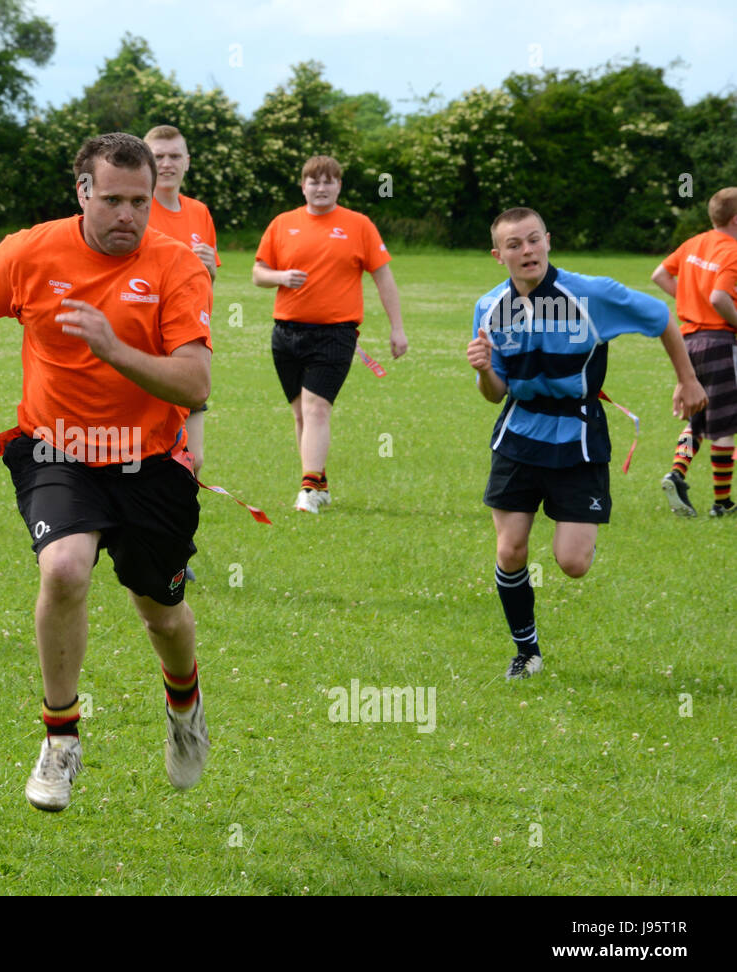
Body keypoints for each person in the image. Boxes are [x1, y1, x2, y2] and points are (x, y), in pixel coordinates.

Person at [0, 133, 213, 812]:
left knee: (162, 614)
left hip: (148, 460)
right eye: (112, 198)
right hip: (56, 448)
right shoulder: (28, 251)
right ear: (82, 192)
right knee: (63, 569)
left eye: (139, 201)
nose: (127, 214)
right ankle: (60, 737)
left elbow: (195, 383)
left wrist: (114, 347)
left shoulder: (177, 265)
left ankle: (185, 708)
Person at [466, 207, 706, 680]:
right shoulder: (490, 307)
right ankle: (526, 651)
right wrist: (483, 370)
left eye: (533, 240)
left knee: (573, 563)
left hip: (578, 434)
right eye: (514, 245)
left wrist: (688, 380)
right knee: (510, 549)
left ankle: (577, 536)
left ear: (548, 241)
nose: (526, 250)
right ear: (499, 255)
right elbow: (496, 393)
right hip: (518, 432)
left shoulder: (589, 294)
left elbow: (660, 317)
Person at [253, 154, 408, 513]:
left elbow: (383, 276)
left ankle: (307, 489)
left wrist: (397, 328)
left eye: (328, 181)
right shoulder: (282, 224)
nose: (321, 188)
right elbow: (258, 272)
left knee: (317, 407)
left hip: (336, 335)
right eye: (314, 181)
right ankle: (319, 482)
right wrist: (280, 277)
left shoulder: (359, 225)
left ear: (339, 185)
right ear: (302, 186)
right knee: (300, 414)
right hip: (286, 333)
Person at [650, 187, 737, 518]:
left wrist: (688, 302)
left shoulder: (695, 243)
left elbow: (659, 275)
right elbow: (719, 299)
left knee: (698, 416)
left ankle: (676, 473)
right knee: (725, 422)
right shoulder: (732, 251)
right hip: (719, 342)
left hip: (689, 343)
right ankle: (722, 503)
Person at [143, 125, 219, 479]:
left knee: (194, 457)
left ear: (187, 162)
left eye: (174, 156)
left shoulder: (200, 213)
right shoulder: (138, 210)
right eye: (158, 157)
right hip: (148, 343)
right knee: (152, 451)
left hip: (191, 343)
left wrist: (205, 268)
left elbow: (209, 279)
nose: (167, 163)